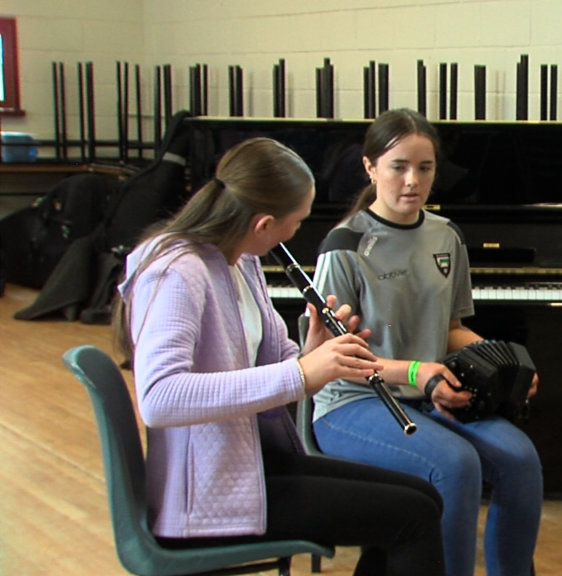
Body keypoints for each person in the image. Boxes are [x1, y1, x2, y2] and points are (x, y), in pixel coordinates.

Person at [114, 136, 445, 576]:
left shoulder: (240, 258)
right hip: (205, 495)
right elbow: (159, 398)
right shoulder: (177, 272)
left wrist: (315, 348)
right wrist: (301, 374)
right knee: (412, 516)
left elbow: (271, 361)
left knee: (424, 498)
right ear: (264, 224)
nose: (297, 233)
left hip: (250, 462)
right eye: (297, 221)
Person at [310, 108, 543, 576]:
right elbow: (335, 359)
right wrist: (420, 372)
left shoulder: (445, 234)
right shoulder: (344, 245)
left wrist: (506, 365)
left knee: (520, 459)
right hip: (354, 401)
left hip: (428, 394)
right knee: (455, 465)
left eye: (425, 167)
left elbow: (451, 327)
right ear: (370, 167)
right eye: (398, 167)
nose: (412, 181)